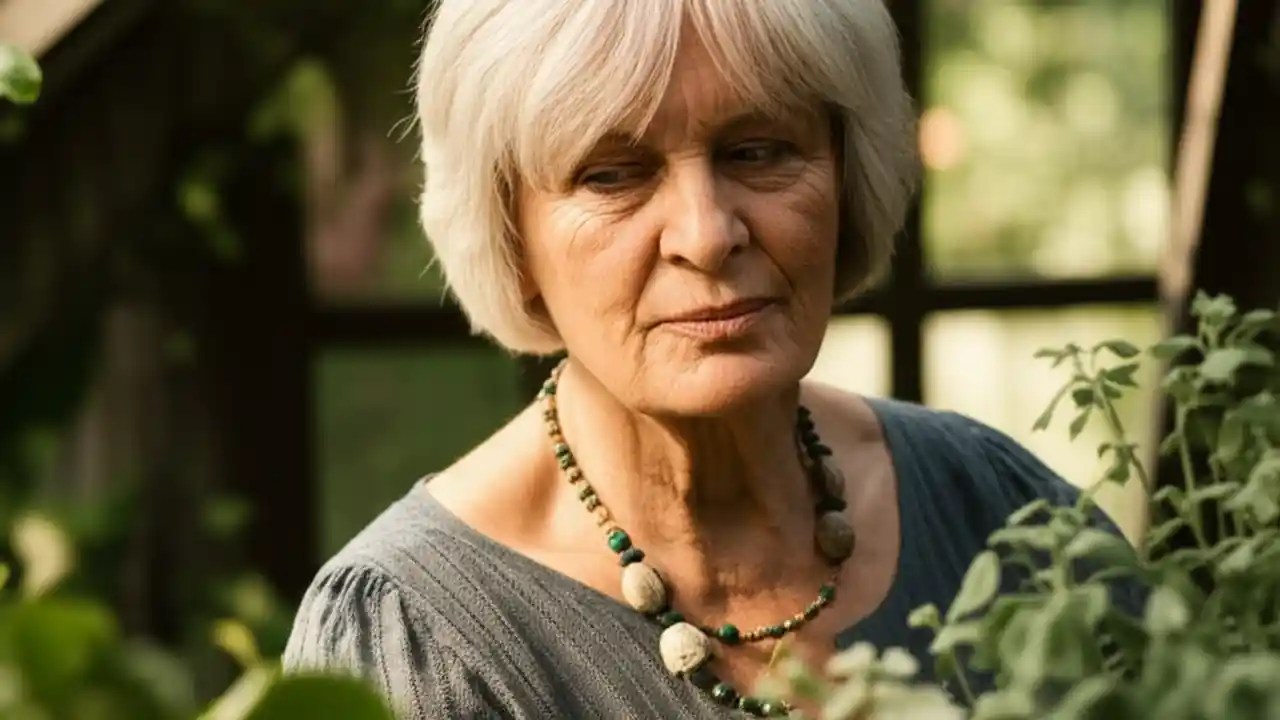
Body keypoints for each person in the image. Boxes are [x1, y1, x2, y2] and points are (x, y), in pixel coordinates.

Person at [283, 0, 1129, 717]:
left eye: (757, 151)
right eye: (613, 175)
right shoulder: (417, 640)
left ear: (847, 173)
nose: (706, 234)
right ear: (512, 237)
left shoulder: (995, 510)